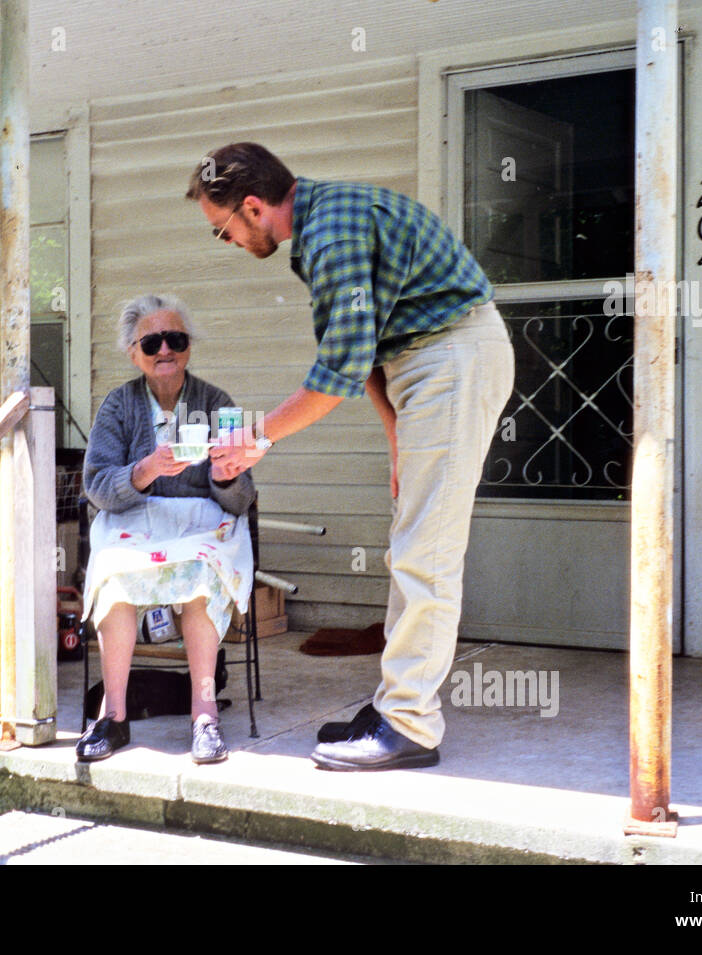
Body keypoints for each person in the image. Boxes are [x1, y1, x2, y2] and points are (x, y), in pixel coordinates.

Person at [190, 143, 515, 771]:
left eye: (221, 227)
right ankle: (397, 703)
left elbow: (333, 375)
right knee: (412, 545)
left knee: (428, 552)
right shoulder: (321, 227)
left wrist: (257, 438)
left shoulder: (333, 231)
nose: (224, 240)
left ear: (252, 207)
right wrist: (396, 436)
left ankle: (411, 726)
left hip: (449, 359)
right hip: (423, 365)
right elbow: (361, 349)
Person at [77, 293, 255, 765]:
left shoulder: (216, 403)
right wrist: (146, 470)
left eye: (175, 339)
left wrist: (225, 473)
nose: (164, 350)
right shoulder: (118, 406)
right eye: (151, 342)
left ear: (188, 346)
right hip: (135, 524)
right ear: (134, 352)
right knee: (114, 577)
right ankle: (113, 716)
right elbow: (95, 485)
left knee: (200, 577)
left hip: (200, 526)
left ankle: (204, 716)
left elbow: (242, 500)